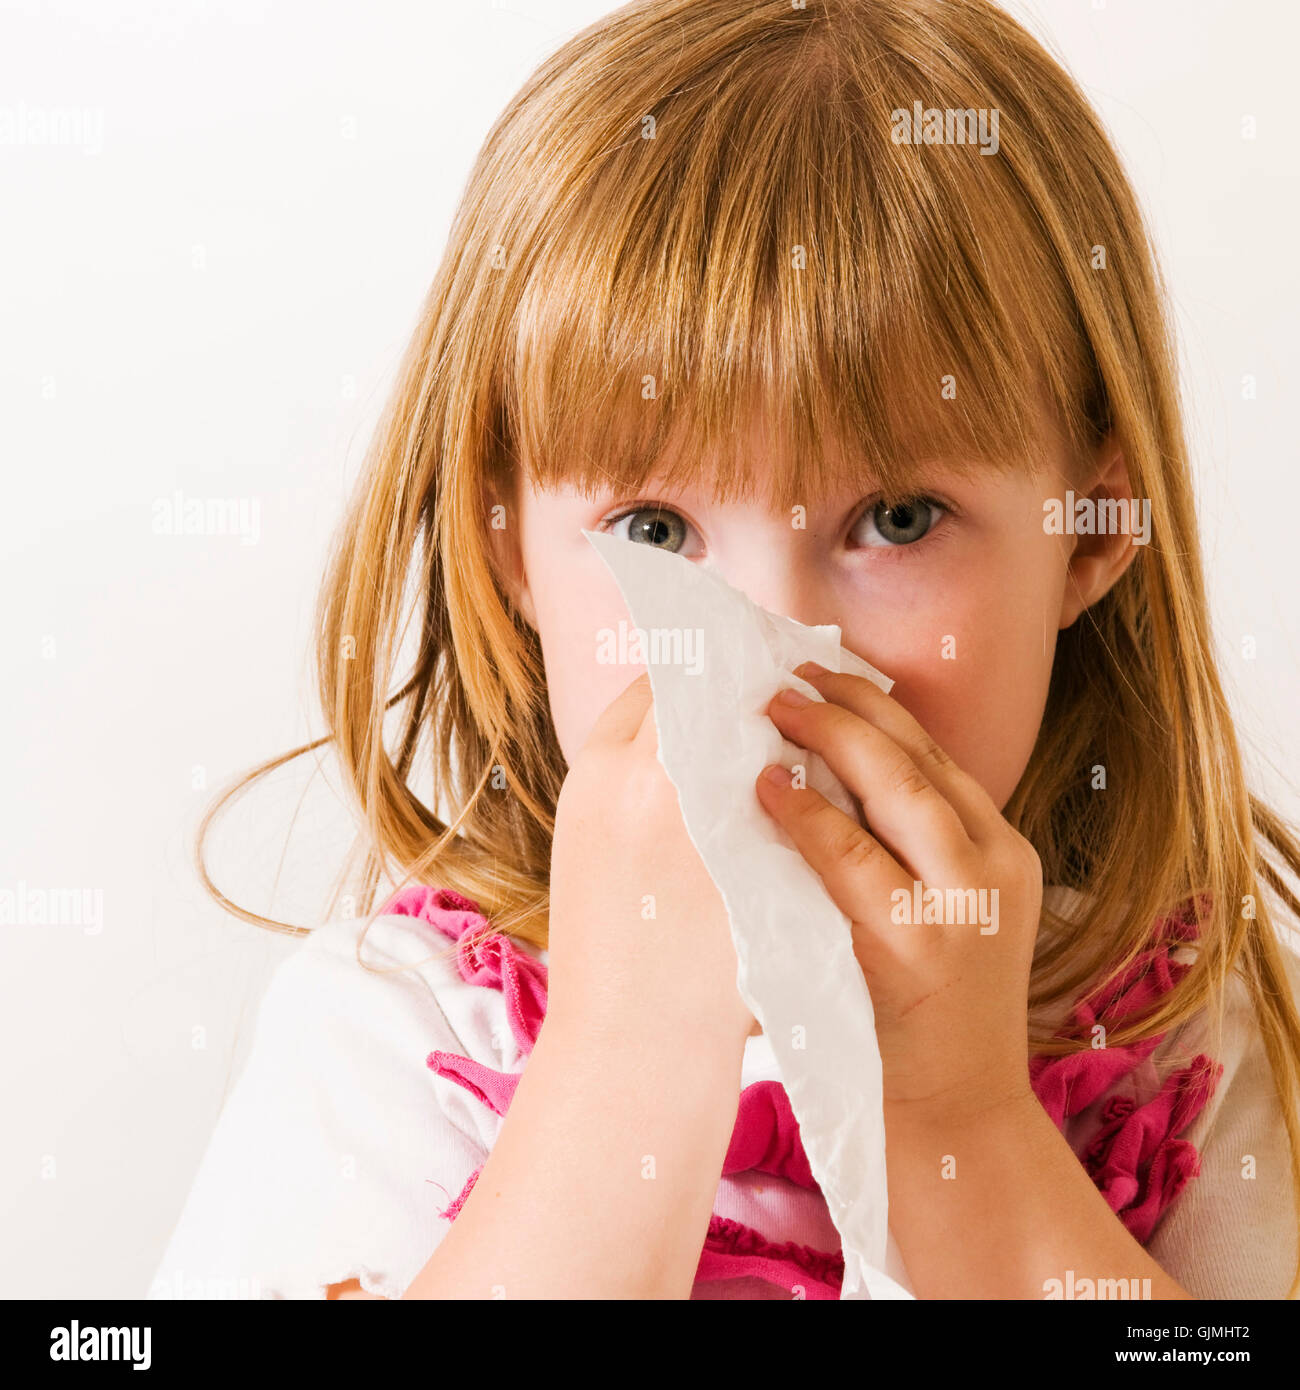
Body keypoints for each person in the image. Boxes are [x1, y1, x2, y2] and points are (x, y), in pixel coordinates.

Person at [152, 0, 1300, 1300]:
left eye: (899, 519)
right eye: (654, 528)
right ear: (511, 549)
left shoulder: (1167, 1040)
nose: (775, 648)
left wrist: (968, 1126)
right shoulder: (399, 1033)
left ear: (1093, 535)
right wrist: (624, 1062)